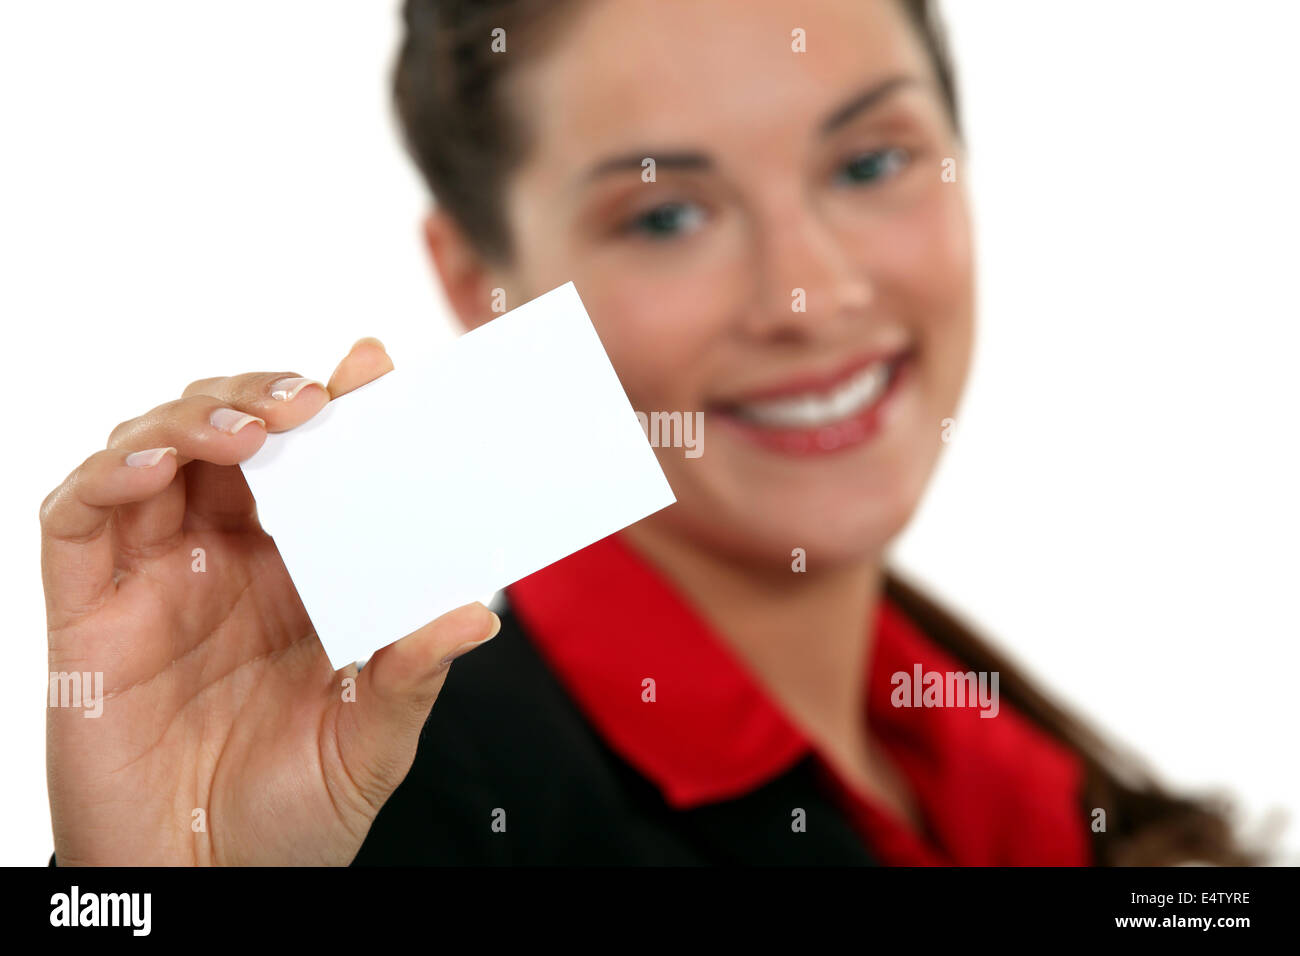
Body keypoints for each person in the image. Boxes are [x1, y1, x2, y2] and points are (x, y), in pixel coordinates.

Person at [42, 0, 1251, 865]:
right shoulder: (384, 814)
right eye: (668, 214)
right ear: (476, 286)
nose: (810, 294)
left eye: (872, 159)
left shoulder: (1025, 771)